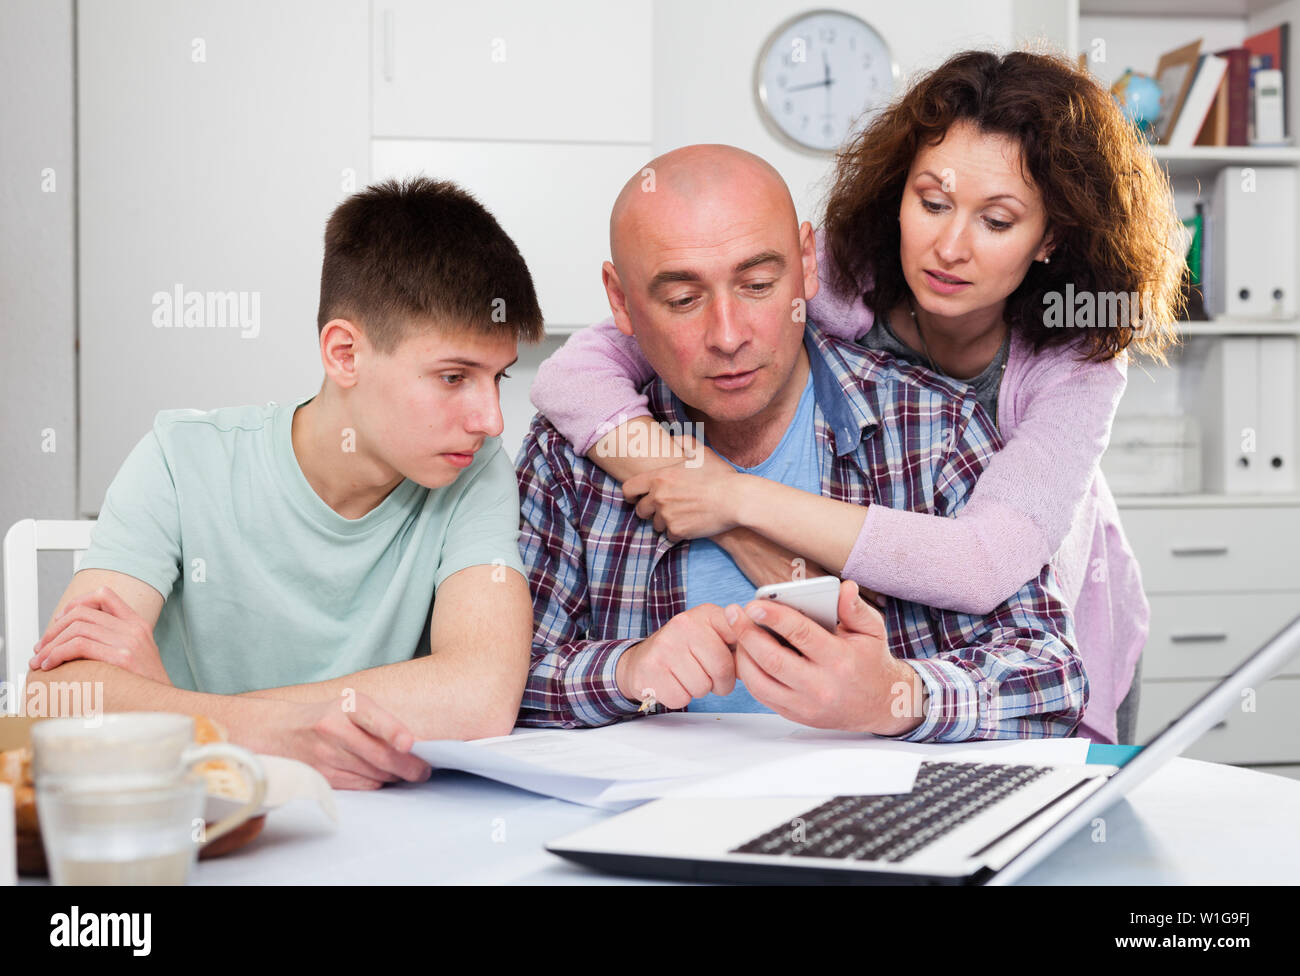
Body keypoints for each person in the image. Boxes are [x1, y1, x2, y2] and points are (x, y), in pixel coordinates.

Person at [528, 50, 1185, 744]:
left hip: (1062, 589)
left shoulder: (1058, 369)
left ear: (1050, 236)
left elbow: (986, 571)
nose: (949, 247)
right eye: (932, 204)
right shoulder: (839, 276)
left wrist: (729, 497)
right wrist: (632, 659)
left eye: (996, 221)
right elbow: (572, 376)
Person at [26, 177, 543, 789]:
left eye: (499, 378)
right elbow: (59, 696)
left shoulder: (473, 469)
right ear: (345, 353)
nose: (491, 421)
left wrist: (175, 711)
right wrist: (272, 733)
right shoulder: (179, 457)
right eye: (455, 377)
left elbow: (481, 694)